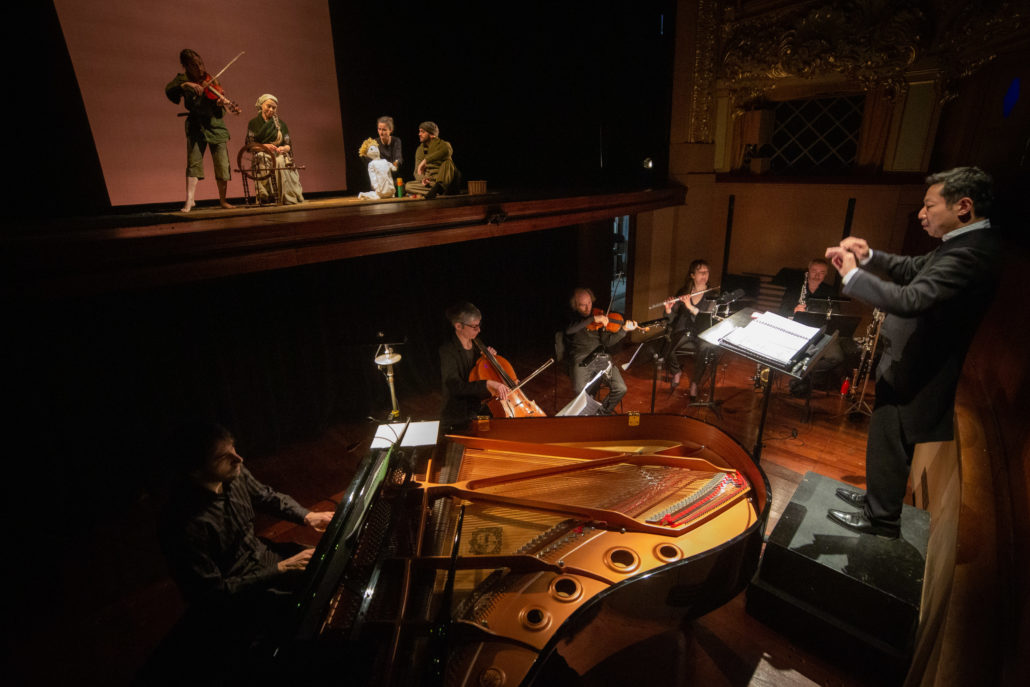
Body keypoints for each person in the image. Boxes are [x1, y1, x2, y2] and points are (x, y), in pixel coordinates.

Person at [824, 167, 1001, 538]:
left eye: (929, 206)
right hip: (909, 365)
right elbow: (909, 268)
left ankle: (882, 521)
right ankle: (876, 502)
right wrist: (869, 255)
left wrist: (854, 276)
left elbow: (911, 299)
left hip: (921, 373)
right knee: (884, 441)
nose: (922, 214)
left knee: (892, 443)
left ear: (963, 206)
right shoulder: (958, 245)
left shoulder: (970, 255)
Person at [165, 49, 238, 212]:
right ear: (185, 66)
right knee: (194, 162)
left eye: (200, 64)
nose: (199, 68)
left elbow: (220, 112)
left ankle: (223, 200)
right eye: (194, 65)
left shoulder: (212, 80)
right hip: (196, 126)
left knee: (222, 163)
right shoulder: (182, 79)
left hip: (215, 126)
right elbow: (170, 90)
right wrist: (187, 85)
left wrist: (220, 105)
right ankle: (190, 200)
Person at [564, 288, 638, 415]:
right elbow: (569, 331)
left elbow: (606, 342)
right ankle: (588, 412)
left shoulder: (599, 315)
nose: (588, 308)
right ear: (575, 305)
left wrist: (623, 330)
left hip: (600, 356)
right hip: (581, 358)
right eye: (583, 305)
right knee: (579, 390)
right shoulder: (572, 317)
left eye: (589, 303)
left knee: (621, 388)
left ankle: (601, 413)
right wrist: (592, 318)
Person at [778, 257, 845, 396]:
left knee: (836, 357)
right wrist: (794, 311)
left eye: (821, 272)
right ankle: (804, 378)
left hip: (821, 332)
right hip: (797, 331)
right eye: (814, 271)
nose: (817, 275)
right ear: (808, 271)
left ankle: (802, 375)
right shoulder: (794, 289)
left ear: (826, 274)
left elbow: (837, 315)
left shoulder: (830, 291)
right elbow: (782, 311)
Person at [439, 303, 511, 431]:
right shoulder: (447, 351)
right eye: (474, 326)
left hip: (481, 404)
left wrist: (488, 360)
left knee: (496, 430)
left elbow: (482, 372)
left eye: (479, 325)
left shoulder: (477, 344)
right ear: (458, 326)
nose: (479, 330)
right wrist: (487, 384)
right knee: (480, 437)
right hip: (461, 411)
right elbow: (455, 387)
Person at [662, 259, 718, 399]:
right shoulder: (684, 291)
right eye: (701, 272)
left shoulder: (713, 295)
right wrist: (669, 309)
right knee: (667, 348)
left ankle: (694, 383)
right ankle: (677, 372)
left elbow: (706, 319)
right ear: (692, 275)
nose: (705, 275)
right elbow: (672, 317)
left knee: (704, 350)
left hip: (702, 332)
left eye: (707, 272)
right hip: (683, 330)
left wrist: (690, 306)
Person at [245, 94, 305, 204]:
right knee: (261, 158)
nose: (271, 109)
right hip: (262, 152)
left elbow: (288, 144)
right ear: (261, 105)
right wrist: (264, 147)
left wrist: (283, 148)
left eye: (274, 107)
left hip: (278, 153)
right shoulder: (253, 123)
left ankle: (285, 197)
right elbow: (250, 144)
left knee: (280, 161)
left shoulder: (281, 124)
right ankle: (265, 196)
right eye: (268, 106)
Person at [405, 121, 461, 199]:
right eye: (419, 131)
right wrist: (422, 179)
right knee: (408, 186)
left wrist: (426, 160)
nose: (419, 134)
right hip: (431, 182)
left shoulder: (444, 144)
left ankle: (440, 188)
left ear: (432, 134)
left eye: (423, 132)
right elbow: (416, 171)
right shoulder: (420, 149)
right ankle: (437, 192)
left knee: (448, 163)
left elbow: (447, 151)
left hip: (443, 180)